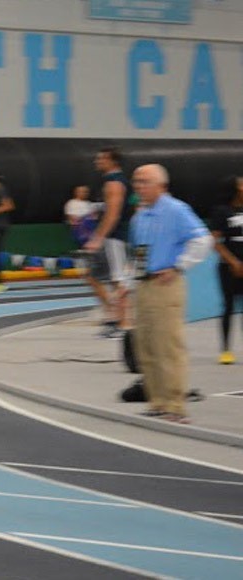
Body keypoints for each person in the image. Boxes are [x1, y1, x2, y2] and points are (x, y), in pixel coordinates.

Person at [129, 164, 212, 424]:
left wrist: (178, 266)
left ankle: (176, 405)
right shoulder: (140, 216)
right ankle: (158, 401)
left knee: (168, 346)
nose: (138, 186)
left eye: (144, 182)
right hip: (144, 283)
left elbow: (202, 240)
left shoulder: (176, 210)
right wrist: (128, 282)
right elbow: (139, 251)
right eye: (136, 182)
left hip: (166, 286)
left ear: (160, 185)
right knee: (146, 345)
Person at [85, 147, 136, 338]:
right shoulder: (107, 182)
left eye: (101, 158)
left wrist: (97, 238)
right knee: (92, 276)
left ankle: (123, 324)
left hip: (115, 238)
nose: (97, 161)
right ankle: (113, 316)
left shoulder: (115, 183)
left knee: (118, 280)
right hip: (108, 237)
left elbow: (113, 215)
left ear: (112, 161)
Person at [209, 175, 243, 364]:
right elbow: (215, 241)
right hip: (228, 268)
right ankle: (226, 350)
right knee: (228, 306)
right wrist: (233, 262)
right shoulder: (222, 211)